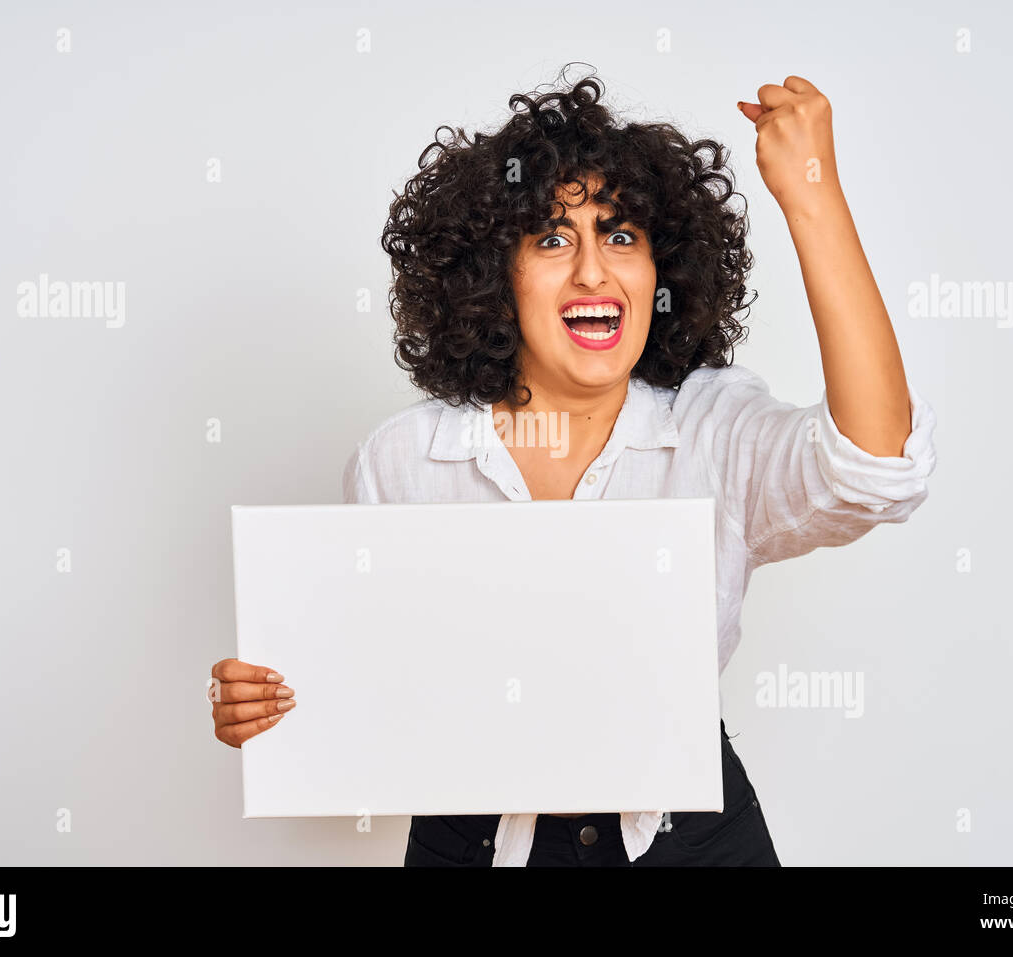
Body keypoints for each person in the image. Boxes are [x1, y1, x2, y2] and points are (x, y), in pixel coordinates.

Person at [210, 66, 937, 867]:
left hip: (689, 840)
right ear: (494, 277)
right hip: (473, 845)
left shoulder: (713, 428)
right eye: (553, 238)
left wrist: (812, 192)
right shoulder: (401, 460)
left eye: (620, 234)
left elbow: (875, 467)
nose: (594, 270)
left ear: (663, 270)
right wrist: (268, 704)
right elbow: (376, 685)